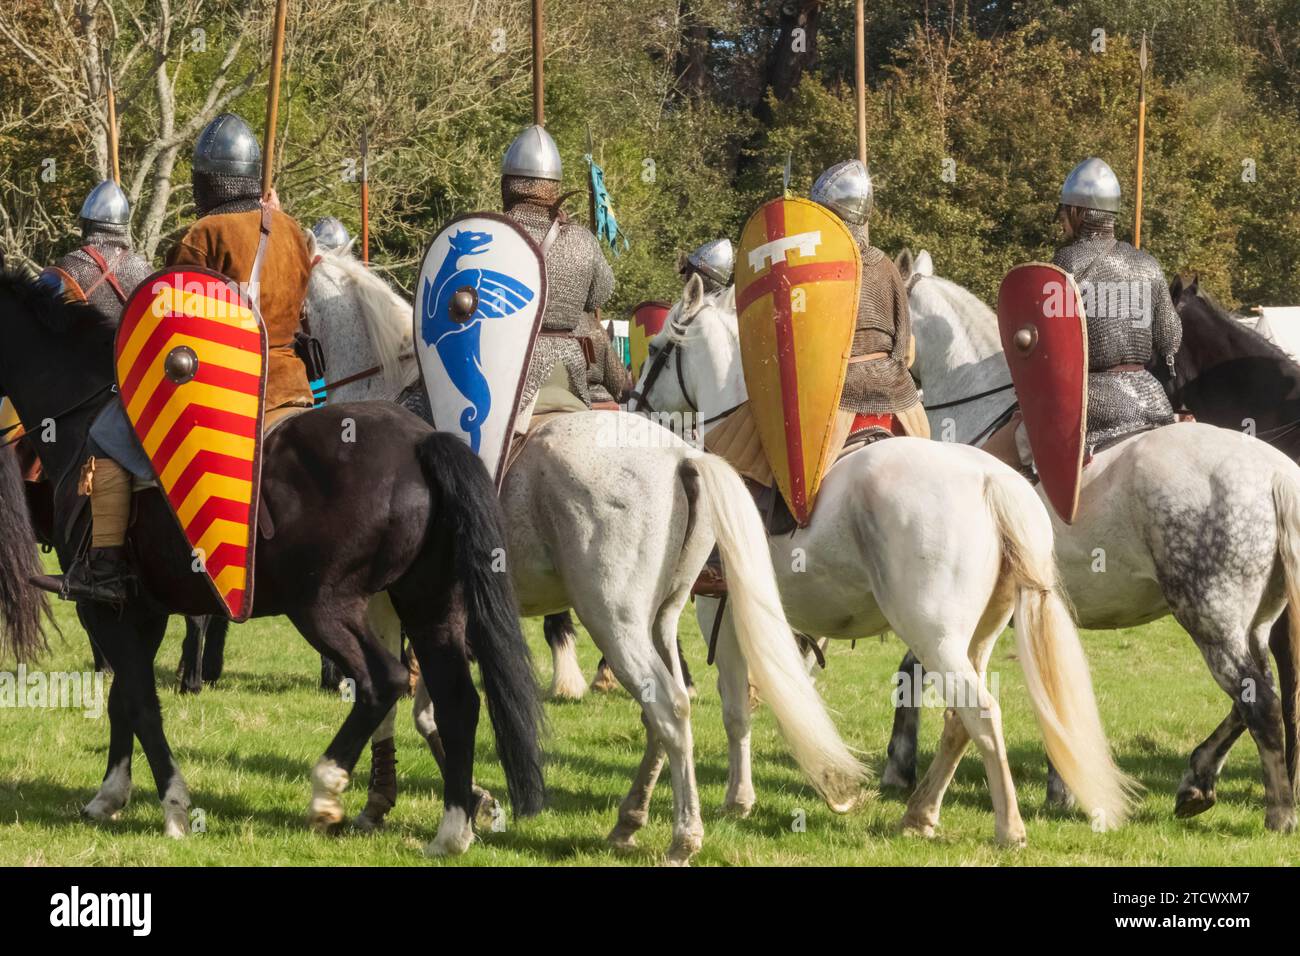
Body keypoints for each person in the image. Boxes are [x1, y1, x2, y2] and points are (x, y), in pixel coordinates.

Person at [983, 157, 1183, 470]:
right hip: (1151, 400)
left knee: (988, 462)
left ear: (1078, 213)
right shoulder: (1149, 265)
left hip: (1088, 405)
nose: (1062, 222)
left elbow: (1047, 348)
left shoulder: (1066, 264)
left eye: (1064, 214)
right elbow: (1170, 341)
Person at [30, 180, 154, 602]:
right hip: (141, 399)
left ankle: (87, 554)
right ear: (123, 226)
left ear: (85, 225)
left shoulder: (63, 273)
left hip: (88, 401)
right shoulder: (146, 272)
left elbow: (34, 341)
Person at [166, 113, 315, 425]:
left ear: (205, 181)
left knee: (146, 466)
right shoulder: (291, 229)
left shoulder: (202, 235)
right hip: (295, 388)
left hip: (233, 397)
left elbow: (178, 332)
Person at [500, 124, 621, 430]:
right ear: (553, 186)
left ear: (508, 185)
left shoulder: (492, 235)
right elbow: (599, 295)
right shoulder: (581, 238)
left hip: (506, 368)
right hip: (567, 369)